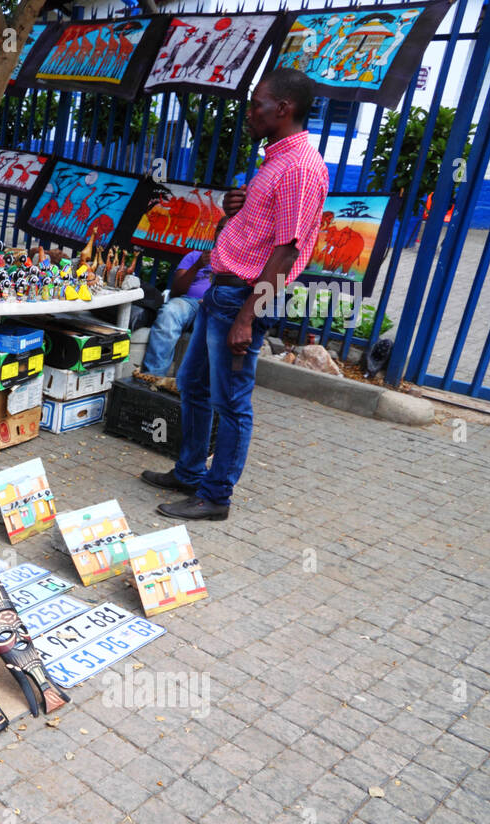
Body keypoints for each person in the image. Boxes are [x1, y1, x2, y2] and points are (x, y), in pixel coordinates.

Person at [142, 68, 328, 522]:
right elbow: (264, 230)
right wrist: (234, 211)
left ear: (283, 109)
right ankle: (189, 472)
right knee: (194, 385)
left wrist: (248, 316)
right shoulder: (275, 160)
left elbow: (288, 251)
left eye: (256, 103)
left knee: (232, 403)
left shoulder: (302, 166)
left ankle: (216, 496)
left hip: (242, 300)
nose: (249, 112)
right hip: (221, 293)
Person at [139, 249, 212, 376]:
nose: (222, 233)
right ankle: (152, 378)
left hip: (214, 305)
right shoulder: (195, 256)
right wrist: (197, 265)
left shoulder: (237, 262)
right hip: (187, 302)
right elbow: (176, 291)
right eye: (219, 228)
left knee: (214, 326)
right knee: (169, 312)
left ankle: (190, 387)